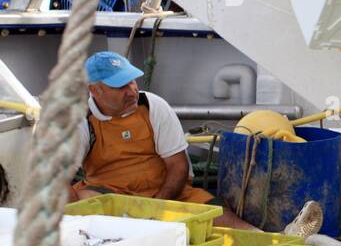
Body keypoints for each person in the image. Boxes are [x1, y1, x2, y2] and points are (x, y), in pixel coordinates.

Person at [72, 51, 255, 230]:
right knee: (83, 200)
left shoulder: (153, 106)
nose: (132, 91)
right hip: (111, 196)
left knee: (220, 217)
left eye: (132, 81)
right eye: (120, 87)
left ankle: (265, 238)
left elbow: (178, 166)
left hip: (166, 193)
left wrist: (157, 208)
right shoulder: (79, 121)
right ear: (95, 90)